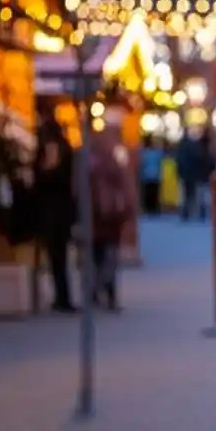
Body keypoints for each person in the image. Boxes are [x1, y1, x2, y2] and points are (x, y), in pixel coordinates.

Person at [89, 131, 136, 311]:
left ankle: (96, 290)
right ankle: (108, 291)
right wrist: (129, 209)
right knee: (109, 253)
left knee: (97, 255)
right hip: (112, 215)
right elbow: (126, 186)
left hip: (95, 216)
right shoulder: (116, 160)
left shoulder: (89, 161)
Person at [35, 116, 77, 313]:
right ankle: (62, 296)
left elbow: (47, 178)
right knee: (59, 256)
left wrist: (44, 169)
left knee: (57, 255)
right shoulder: (66, 149)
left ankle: (62, 297)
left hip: (54, 212)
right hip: (63, 211)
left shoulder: (53, 150)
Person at [175, 127, 211, 221]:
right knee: (198, 194)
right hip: (196, 175)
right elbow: (201, 161)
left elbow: (179, 162)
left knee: (186, 194)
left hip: (185, 174)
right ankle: (198, 211)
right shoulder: (198, 148)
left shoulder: (181, 148)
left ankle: (186, 212)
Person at [139, 136, 165, 215]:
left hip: (146, 176)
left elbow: (141, 164)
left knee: (147, 193)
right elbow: (161, 162)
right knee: (155, 193)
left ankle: (147, 208)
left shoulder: (143, 153)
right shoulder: (157, 153)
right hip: (156, 175)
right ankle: (155, 208)